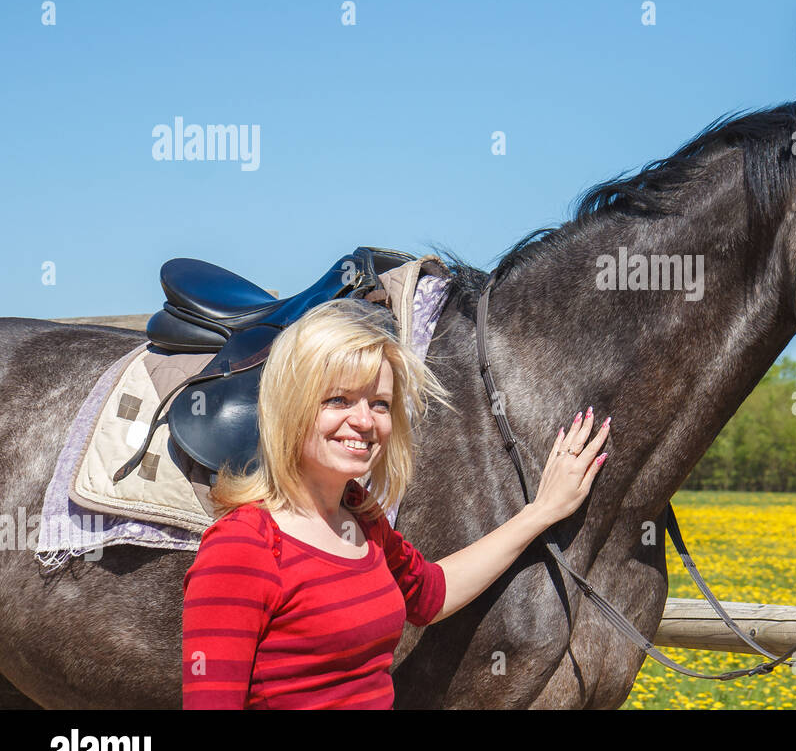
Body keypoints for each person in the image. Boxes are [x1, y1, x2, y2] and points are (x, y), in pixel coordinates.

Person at [181, 298, 608, 709]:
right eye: (338, 400)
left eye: (379, 404)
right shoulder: (243, 547)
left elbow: (430, 594)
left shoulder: (360, 517)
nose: (366, 421)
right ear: (290, 406)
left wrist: (543, 510)